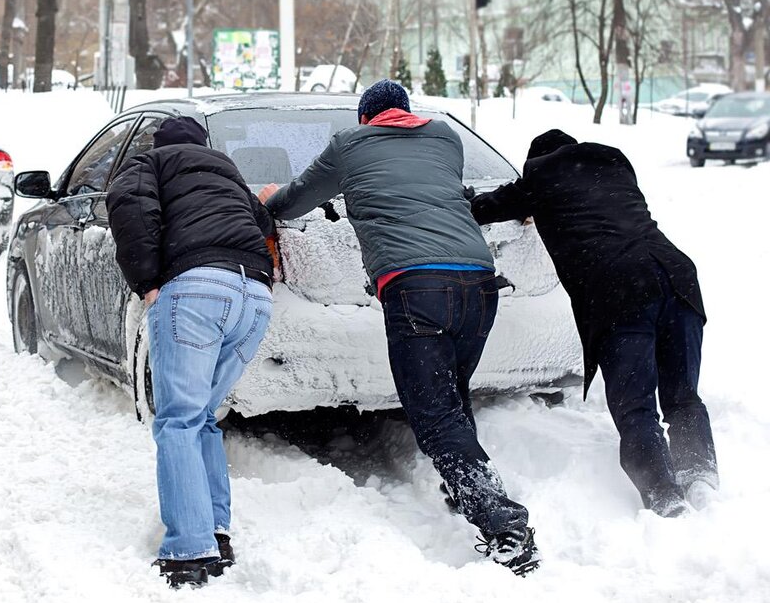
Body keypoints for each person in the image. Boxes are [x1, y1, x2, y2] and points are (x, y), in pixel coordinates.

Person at [258, 80, 539, 576]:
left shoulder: (350, 145)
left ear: (367, 118)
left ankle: (502, 523)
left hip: (417, 288)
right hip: (479, 283)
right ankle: (464, 488)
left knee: (433, 415)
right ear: (406, 113)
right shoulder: (447, 138)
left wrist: (263, 206)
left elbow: (298, 198)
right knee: (451, 396)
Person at [472, 129, 716, 517]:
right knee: (683, 396)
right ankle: (699, 476)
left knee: (636, 407)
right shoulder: (614, 164)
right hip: (677, 276)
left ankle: (666, 500)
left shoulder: (539, 179)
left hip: (621, 288)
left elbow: (482, 208)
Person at [106, 115, 275, 589]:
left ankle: (187, 550)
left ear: (160, 144)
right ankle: (216, 532)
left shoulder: (150, 162)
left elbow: (128, 206)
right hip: (255, 298)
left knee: (178, 418)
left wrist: (147, 281)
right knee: (201, 416)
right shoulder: (227, 170)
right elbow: (261, 221)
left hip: (197, 289)